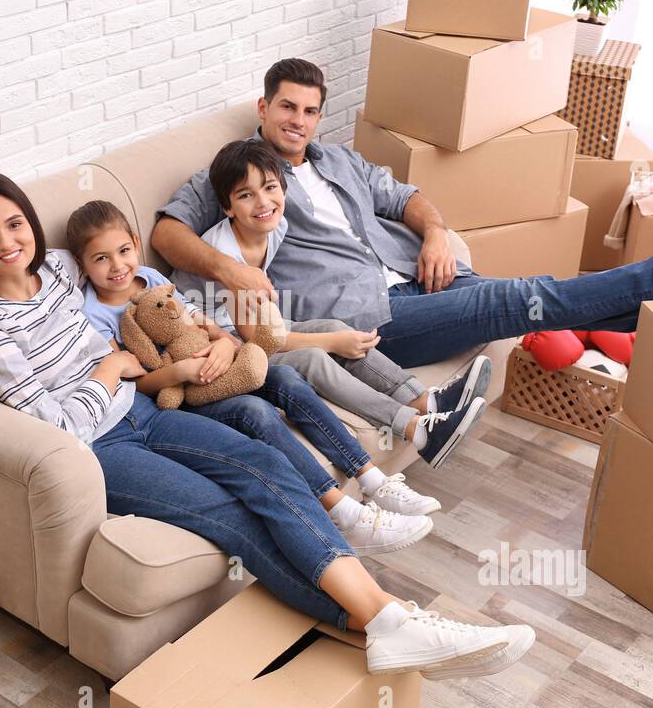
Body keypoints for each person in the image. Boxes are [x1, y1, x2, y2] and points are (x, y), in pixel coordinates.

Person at [0, 172, 537, 680]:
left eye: (14, 223)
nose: (7, 241)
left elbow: (128, 266)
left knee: (262, 463)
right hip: (101, 449)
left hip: (150, 410)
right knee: (229, 513)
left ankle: (388, 620)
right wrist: (112, 370)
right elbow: (54, 426)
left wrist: (190, 338)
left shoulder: (63, 269)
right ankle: (386, 620)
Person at [150, 58, 653, 371]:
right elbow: (167, 232)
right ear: (263, 107)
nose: (297, 122)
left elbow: (407, 197)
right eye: (287, 108)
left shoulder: (340, 160)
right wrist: (233, 274)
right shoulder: (240, 174)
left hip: (418, 276)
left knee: (545, 296)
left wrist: (436, 232)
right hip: (370, 315)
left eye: (310, 111)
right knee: (526, 296)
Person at [66, 197, 442, 551]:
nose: (117, 266)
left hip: (220, 367)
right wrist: (179, 371)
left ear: (134, 243)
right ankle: (342, 511)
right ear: (83, 265)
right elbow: (133, 385)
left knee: (287, 380)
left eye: (123, 251)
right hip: (177, 399)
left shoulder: (149, 278)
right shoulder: (93, 315)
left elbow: (201, 325)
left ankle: (372, 479)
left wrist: (225, 345)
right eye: (101, 259)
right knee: (254, 412)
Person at [171, 137, 492, 470]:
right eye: (245, 195)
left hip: (251, 325)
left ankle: (428, 400)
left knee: (337, 328)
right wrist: (331, 342)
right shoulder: (227, 259)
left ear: (284, 188)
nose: (262, 202)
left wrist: (336, 331)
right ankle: (418, 430)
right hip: (214, 343)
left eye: (269, 188)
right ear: (227, 207)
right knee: (315, 355)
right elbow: (257, 338)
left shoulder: (276, 225)